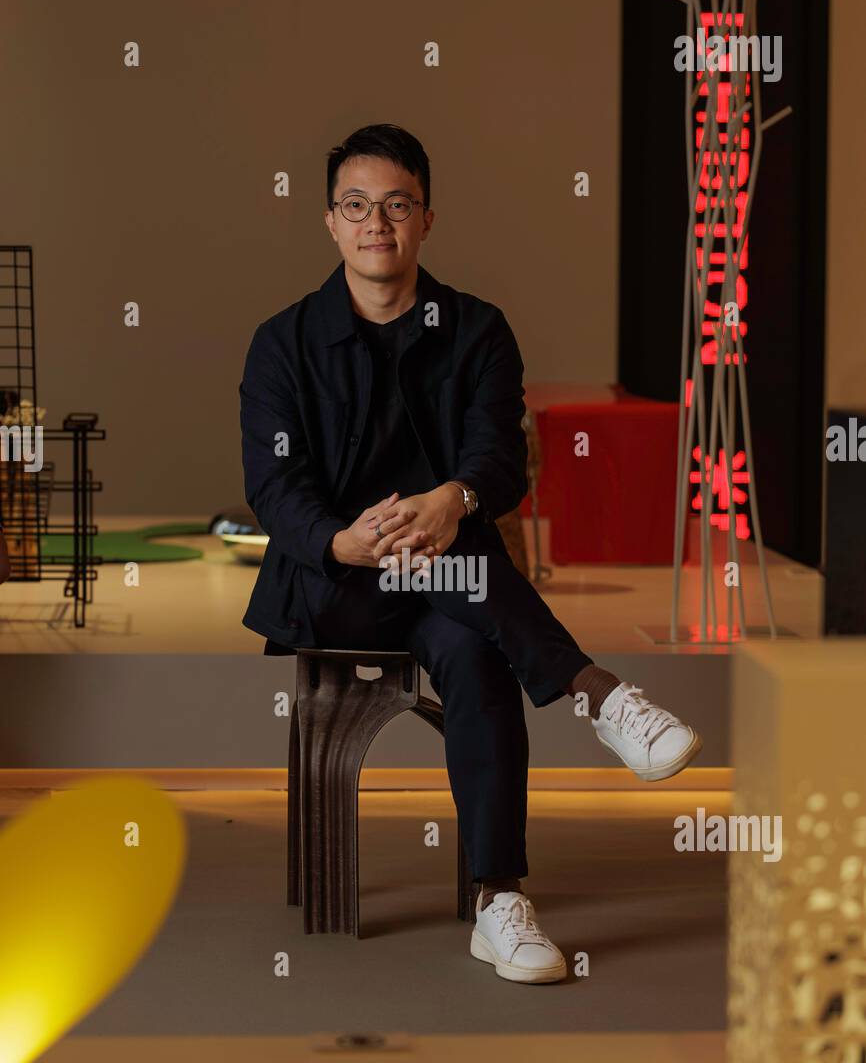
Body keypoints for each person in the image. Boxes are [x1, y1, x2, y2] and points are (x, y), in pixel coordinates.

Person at [239, 123, 702, 985]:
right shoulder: (284, 342)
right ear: (331, 223)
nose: (377, 222)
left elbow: (497, 459)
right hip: (336, 584)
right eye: (357, 206)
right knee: (475, 602)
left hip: (453, 584)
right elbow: (274, 484)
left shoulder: (478, 329)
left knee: (474, 648)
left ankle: (500, 902)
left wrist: (453, 500)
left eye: (397, 205)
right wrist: (342, 538)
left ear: (427, 218)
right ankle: (599, 695)